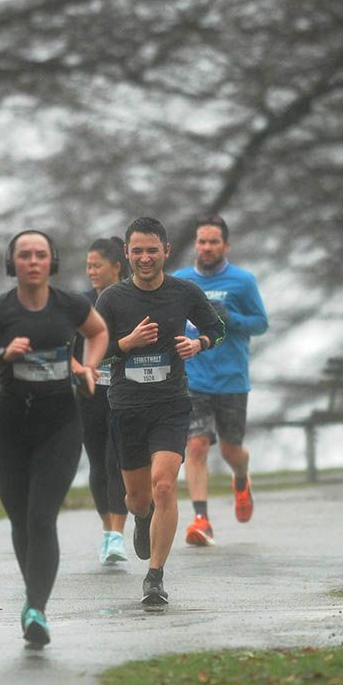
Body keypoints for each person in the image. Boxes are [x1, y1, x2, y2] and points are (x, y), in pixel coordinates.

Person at [0, 230, 108, 647]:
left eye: (40, 255)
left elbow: (98, 333)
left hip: (60, 425)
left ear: (51, 262)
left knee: (42, 518)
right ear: (13, 264)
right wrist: (1, 356)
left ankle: (35, 608)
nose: (33, 261)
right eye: (24, 255)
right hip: (10, 428)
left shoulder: (70, 305)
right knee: (20, 520)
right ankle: (34, 602)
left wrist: (89, 367)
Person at [95, 217, 225, 608]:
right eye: (138, 250)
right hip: (127, 407)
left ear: (166, 251)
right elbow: (91, 350)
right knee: (138, 497)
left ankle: (155, 576)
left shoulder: (185, 292)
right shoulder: (112, 299)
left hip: (170, 404)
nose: (145, 257)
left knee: (164, 485)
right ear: (127, 254)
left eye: (152, 249)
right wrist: (127, 343)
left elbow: (219, 328)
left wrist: (199, 343)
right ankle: (140, 518)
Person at [173, 216, 267, 546]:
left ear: (225, 246)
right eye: (202, 241)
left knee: (231, 450)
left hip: (231, 379)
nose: (207, 247)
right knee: (195, 445)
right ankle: (201, 519)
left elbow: (260, 324)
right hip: (193, 378)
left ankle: (241, 479)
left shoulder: (242, 281)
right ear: (195, 244)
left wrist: (231, 318)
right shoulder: (181, 281)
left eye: (214, 242)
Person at [74, 237, 129, 565]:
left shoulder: (130, 300)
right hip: (90, 394)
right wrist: (80, 370)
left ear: (116, 266)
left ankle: (119, 534)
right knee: (97, 462)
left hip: (125, 391)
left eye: (97, 265)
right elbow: (64, 348)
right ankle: (108, 533)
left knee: (115, 460)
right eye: (88, 266)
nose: (91, 271)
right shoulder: (80, 304)